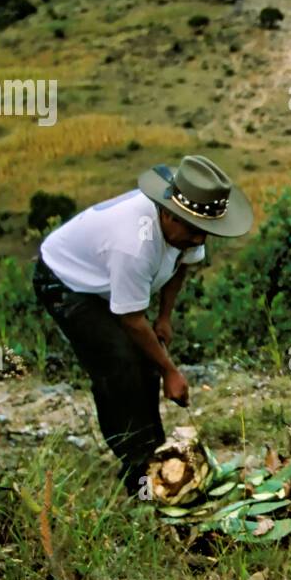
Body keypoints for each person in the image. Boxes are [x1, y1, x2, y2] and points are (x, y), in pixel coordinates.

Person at [33, 155, 252, 494]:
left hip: (109, 282)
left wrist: (164, 318)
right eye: (194, 232)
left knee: (146, 362)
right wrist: (170, 371)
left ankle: (155, 449)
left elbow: (182, 267)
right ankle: (137, 469)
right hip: (66, 281)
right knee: (118, 365)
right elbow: (131, 319)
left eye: (205, 234)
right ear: (167, 213)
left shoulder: (187, 233)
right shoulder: (133, 244)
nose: (199, 241)